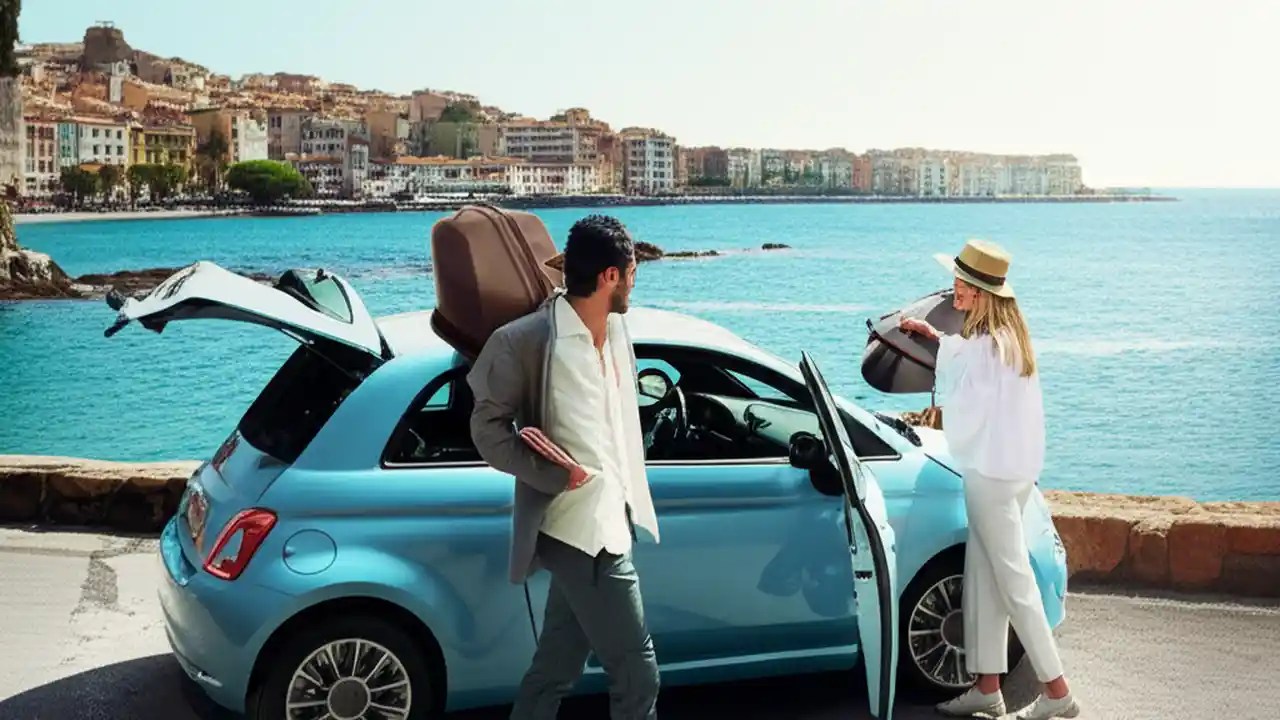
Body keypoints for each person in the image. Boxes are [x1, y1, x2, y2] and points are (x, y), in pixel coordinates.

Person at [468, 214, 661, 720]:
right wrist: (554, 474)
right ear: (610, 278)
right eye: (632, 273)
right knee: (638, 674)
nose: (635, 284)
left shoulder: (618, 332)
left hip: (610, 520)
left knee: (556, 666)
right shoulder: (526, 340)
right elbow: (487, 430)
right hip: (579, 530)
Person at [899, 239, 1080, 720]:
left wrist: (935, 377)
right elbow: (968, 362)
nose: (953, 289)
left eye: (961, 283)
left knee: (1013, 582)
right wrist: (936, 339)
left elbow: (965, 401)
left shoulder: (986, 349)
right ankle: (986, 687)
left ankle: (1059, 694)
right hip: (1015, 473)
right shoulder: (1007, 340)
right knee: (983, 578)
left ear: (980, 294)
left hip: (990, 478)